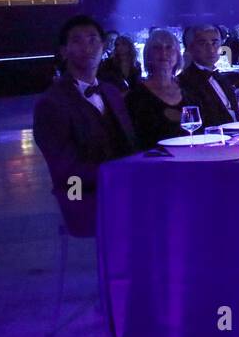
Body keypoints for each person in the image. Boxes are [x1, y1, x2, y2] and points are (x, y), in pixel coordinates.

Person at [32, 15, 136, 238]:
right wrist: (118, 174)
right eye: (77, 41)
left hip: (119, 187)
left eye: (92, 40)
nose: (87, 47)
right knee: (155, 214)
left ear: (103, 46)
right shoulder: (51, 103)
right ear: (64, 51)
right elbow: (66, 173)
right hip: (79, 195)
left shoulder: (111, 92)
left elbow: (128, 145)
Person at [125, 29, 186, 146]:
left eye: (169, 47)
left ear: (178, 55)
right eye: (157, 48)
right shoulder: (135, 96)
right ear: (148, 55)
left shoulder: (189, 90)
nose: (163, 53)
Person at [179, 24, 239, 128]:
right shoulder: (185, 82)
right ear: (190, 48)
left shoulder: (221, 78)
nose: (211, 49)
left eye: (215, 42)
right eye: (203, 43)